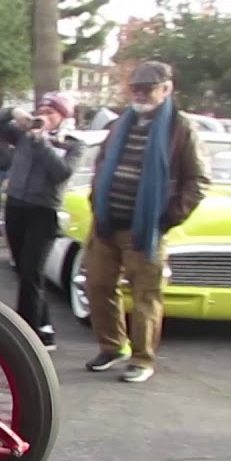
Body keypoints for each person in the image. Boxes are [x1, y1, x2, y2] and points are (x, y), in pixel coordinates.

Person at [85, 60, 209, 383]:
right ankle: (112, 347)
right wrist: (95, 202)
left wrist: (168, 217)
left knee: (145, 297)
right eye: (135, 88)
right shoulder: (120, 124)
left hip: (145, 229)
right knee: (98, 286)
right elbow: (100, 165)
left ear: (166, 89)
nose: (139, 94)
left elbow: (198, 180)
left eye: (147, 88)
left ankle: (142, 359)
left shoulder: (180, 128)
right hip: (107, 223)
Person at [0, 92, 85, 350]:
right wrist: (13, 112)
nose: (44, 117)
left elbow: (61, 173)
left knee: (32, 271)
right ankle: (43, 327)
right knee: (23, 271)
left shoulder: (72, 144)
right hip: (16, 207)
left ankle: (24, 332)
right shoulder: (23, 136)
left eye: (52, 113)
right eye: (42, 111)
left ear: (63, 118)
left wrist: (42, 141)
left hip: (44, 211)